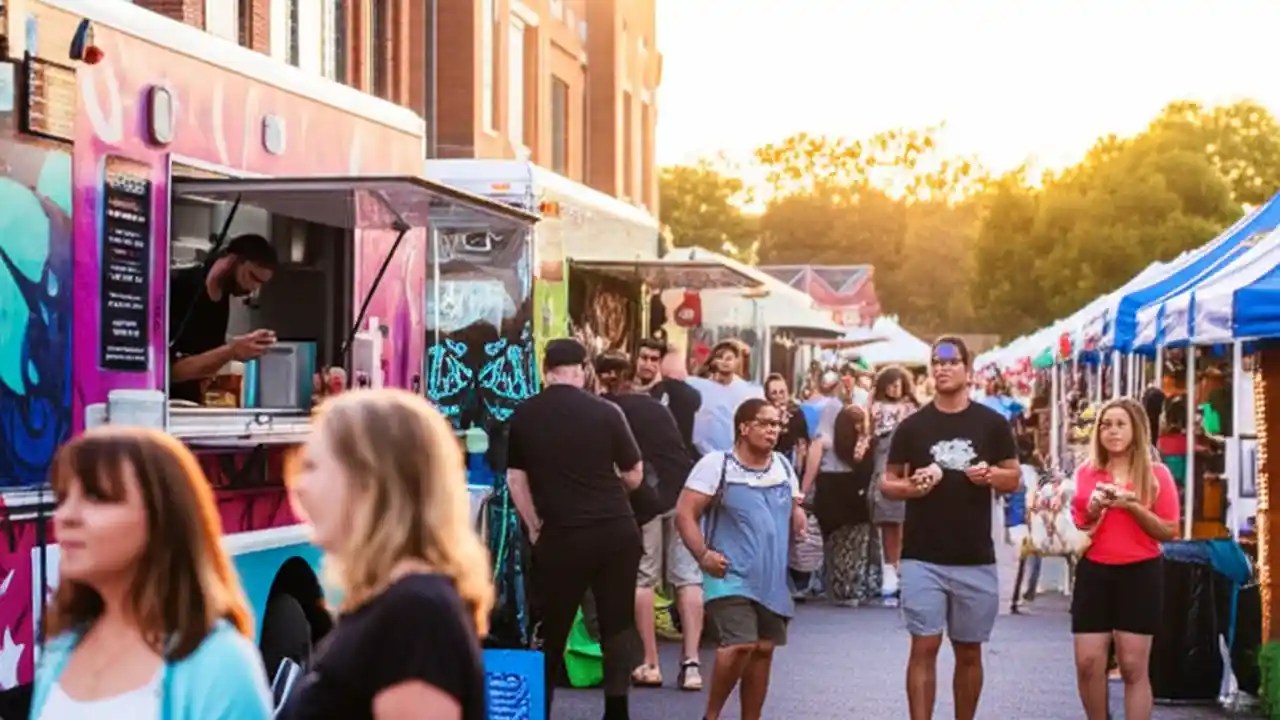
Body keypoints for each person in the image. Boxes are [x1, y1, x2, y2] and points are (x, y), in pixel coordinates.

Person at [30, 427, 272, 719]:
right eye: (62, 498)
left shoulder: (220, 664)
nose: (65, 516)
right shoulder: (62, 650)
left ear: (162, 516)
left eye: (97, 497)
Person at [281, 389, 492, 720]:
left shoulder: (416, 614)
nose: (299, 485)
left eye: (313, 466)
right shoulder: (398, 605)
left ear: (369, 481)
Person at [880, 336, 1020, 720]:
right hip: (922, 556)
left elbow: (1014, 478)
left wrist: (989, 475)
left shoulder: (991, 424)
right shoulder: (913, 426)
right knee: (923, 647)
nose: (941, 369)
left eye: (950, 362)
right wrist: (913, 486)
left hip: (975, 557)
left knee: (969, 651)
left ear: (967, 370)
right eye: (936, 363)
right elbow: (887, 482)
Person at [505, 339, 644, 720]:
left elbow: (516, 480)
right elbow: (634, 474)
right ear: (583, 370)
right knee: (616, 624)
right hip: (615, 532)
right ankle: (617, 711)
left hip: (562, 534)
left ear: (545, 370)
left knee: (553, 625)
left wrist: (535, 527)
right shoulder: (608, 411)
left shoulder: (525, 414)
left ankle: (541, 707)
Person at [675, 398, 806, 720]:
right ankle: (712, 715)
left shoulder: (783, 466)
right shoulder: (716, 465)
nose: (773, 430)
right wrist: (703, 555)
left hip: (772, 579)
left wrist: (798, 513)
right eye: (765, 423)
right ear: (744, 428)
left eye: (777, 424)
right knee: (739, 645)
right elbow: (684, 513)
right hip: (729, 576)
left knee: (762, 652)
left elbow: (793, 505)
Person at [593, 352, 703, 691]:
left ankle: (650, 663)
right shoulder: (656, 406)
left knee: (644, 579)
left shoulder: (605, 410)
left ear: (597, 377)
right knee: (688, 577)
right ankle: (692, 665)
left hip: (645, 498)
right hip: (683, 491)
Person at [1070, 397, 1179, 720]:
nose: (1113, 431)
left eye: (1121, 424)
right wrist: (1094, 507)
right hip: (1095, 571)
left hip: (1140, 572)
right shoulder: (1087, 473)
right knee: (1089, 663)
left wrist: (1132, 506)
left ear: (1136, 430)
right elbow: (1079, 524)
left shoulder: (1157, 474)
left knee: (1133, 665)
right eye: (1106, 425)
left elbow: (1168, 530)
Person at [168, 234, 279, 404]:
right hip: (166, 404)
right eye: (252, 277)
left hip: (192, 405)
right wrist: (231, 351)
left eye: (260, 284)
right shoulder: (180, 286)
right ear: (233, 259)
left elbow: (204, 363)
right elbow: (171, 370)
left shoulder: (221, 301)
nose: (254, 289)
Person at [869, 365, 917, 597]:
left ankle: (901, 570)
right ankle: (890, 570)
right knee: (889, 519)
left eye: (898, 384)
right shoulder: (876, 408)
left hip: (909, 468)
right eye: (889, 384)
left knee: (906, 522)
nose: (894, 389)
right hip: (885, 466)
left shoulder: (913, 409)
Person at [687, 341, 764, 455]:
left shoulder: (749, 391)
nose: (725, 361)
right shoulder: (697, 386)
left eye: (729, 358)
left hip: (736, 455)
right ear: (713, 361)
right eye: (720, 357)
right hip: (701, 455)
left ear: (737, 361)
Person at [635, 338, 702, 461]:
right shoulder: (624, 388)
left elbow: (694, 399)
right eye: (644, 358)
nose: (648, 364)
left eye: (654, 359)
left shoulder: (673, 391)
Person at [764, 373, 809, 471]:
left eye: (782, 392)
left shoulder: (797, 413)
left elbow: (803, 443)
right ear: (768, 396)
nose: (779, 396)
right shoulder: (763, 415)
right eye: (774, 393)